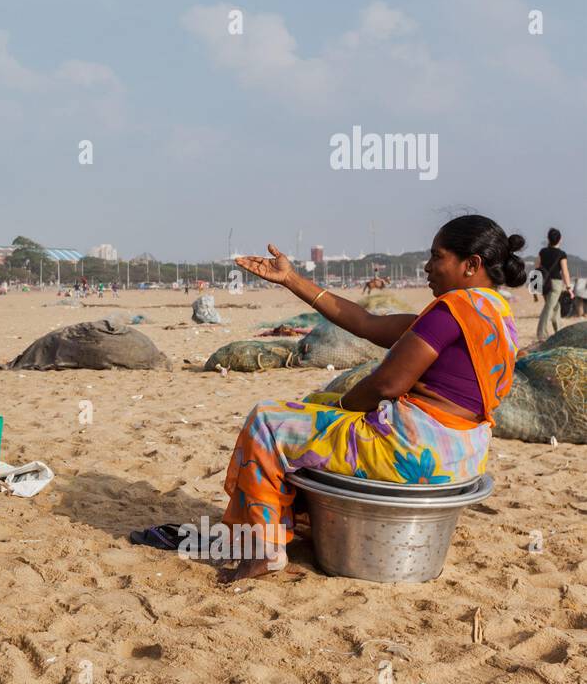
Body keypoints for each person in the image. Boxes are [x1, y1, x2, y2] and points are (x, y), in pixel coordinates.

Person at [130, 215, 523, 582]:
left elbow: (386, 384)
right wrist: (290, 279)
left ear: (471, 265)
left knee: (268, 421)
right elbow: (367, 324)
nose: (427, 266)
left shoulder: (453, 309)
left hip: (412, 449)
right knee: (313, 406)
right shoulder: (495, 315)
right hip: (463, 454)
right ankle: (293, 524)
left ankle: (262, 549)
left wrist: (341, 407)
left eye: (437, 257)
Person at [535, 228, 573, 342]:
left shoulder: (542, 252)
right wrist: (569, 288)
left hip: (544, 283)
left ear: (548, 239)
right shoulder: (561, 254)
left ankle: (559, 331)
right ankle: (542, 334)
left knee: (556, 306)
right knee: (549, 307)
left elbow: (537, 268)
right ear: (560, 239)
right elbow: (565, 271)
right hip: (555, 283)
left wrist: (535, 286)